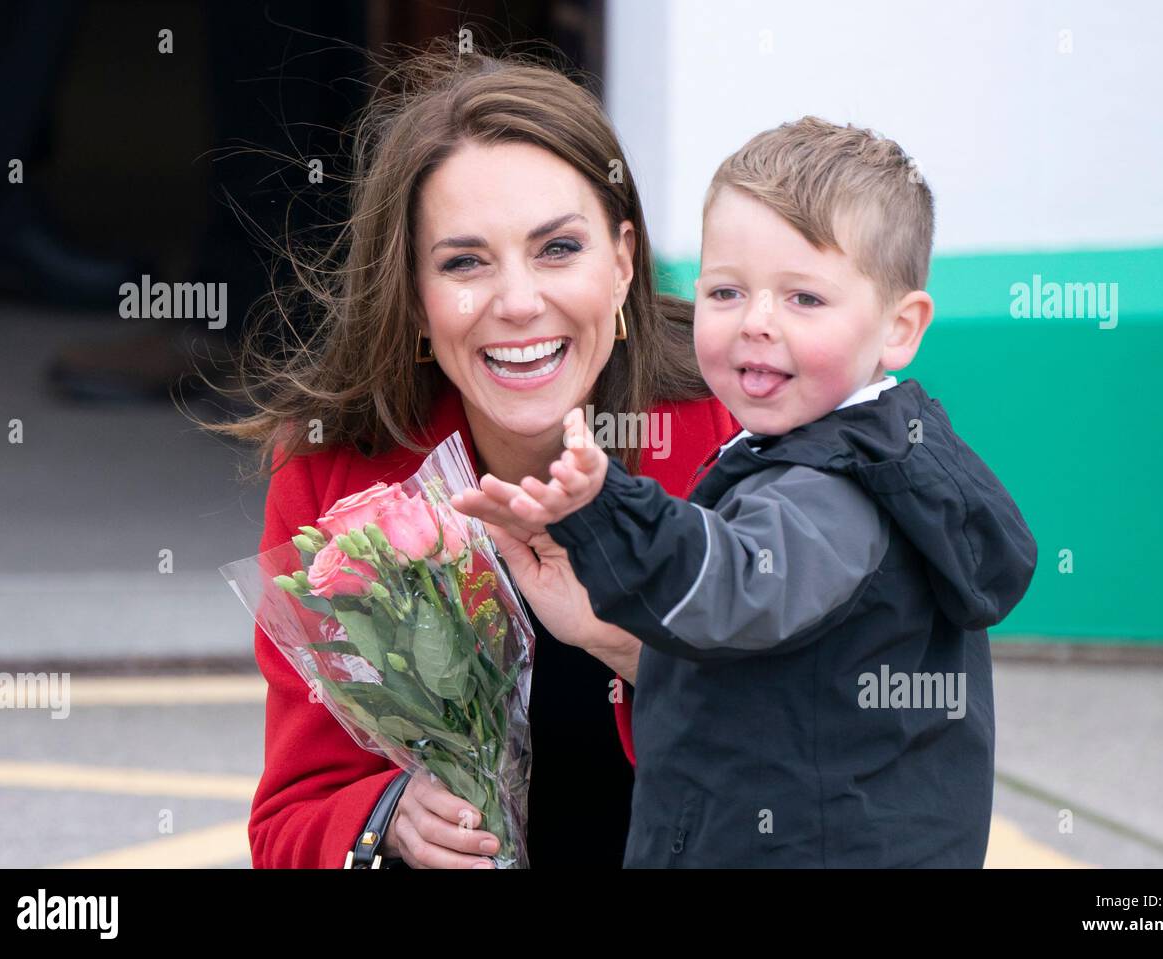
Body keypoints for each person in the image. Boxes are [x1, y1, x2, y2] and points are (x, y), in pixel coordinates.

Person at [201, 40, 739, 868]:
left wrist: (629, 647)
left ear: (623, 260)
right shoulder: (332, 467)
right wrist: (385, 815)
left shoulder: (727, 427)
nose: (519, 302)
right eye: (464, 262)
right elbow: (289, 822)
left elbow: (819, 743)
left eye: (559, 248)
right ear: (414, 298)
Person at [453, 117, 1039, 867]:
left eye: (804, 299)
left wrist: (608, 510)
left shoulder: (837, 490)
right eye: (727, 291)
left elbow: (737, 581)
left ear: (899, 328)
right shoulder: (830, 454)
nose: (757, 323)